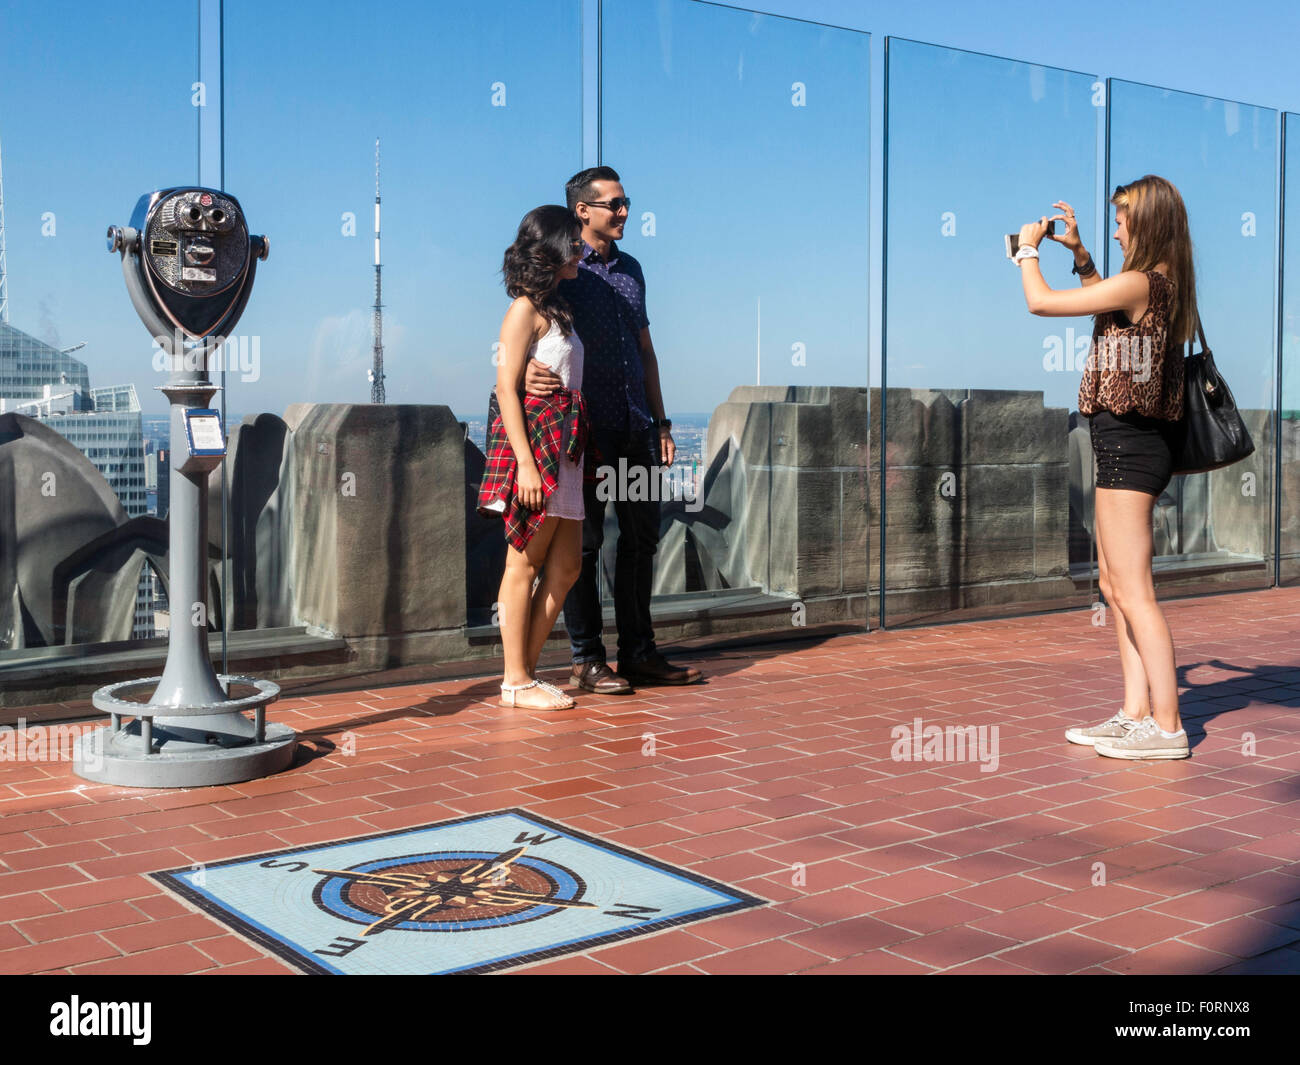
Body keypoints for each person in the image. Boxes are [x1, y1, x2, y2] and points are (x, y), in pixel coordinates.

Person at [1014, 175, 1192, 759]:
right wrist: (1084, 258)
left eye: (1121, 220)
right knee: (1115, 585)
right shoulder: (1153, 284)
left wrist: (1029, 248)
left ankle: (1166, 728)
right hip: (1125, 441)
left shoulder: (1145, 281)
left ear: (1148, 223)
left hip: (1134, 446)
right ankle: (1135, 713)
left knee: (1134, 590)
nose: (1116, 228)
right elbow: (1113, 317)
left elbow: (1040, 302)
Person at [524, 166, 702, 693]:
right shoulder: (565, 268)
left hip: (636, 430)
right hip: (586, 433)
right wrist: (524, 371)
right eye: (614, 204)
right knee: (584, 545)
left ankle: (639, 653)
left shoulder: (633, 270)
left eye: (626, 203)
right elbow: (524, 325)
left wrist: (663, 422)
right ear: (583, 211)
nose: (625, 212)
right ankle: (585, 658)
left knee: (642, 541)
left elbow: (646, 352)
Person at [477, 205, 588, 710]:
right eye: (574, 243)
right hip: (537, 448)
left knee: (565, 569)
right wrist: (523, 463)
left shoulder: (556, 307)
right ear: (552, 249)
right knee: (522, 563)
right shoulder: (522, 309)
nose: (581, 250)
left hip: (566, 450)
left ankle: (525, 672)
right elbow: (504, 388)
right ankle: (515, 681)